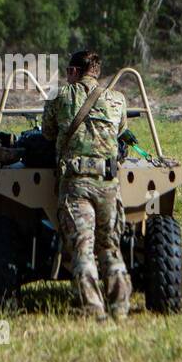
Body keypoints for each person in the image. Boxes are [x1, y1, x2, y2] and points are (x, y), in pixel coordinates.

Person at [41, 49, 131, 320]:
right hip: (108, 184)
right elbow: (120, 131)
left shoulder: (59, 96)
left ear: (73, 72)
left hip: (76, 185)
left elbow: (47, 133)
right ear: (96, 72)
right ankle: (120, 307)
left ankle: (93, 309)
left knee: (83, 248)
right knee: (110, 247)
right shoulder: (117, 99)